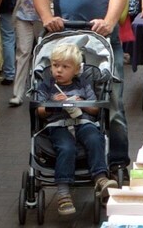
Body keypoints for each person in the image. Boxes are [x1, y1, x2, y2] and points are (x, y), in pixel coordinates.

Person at [35, 42, 118, 215]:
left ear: (76, 70)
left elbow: (95, 110)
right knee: (66, 148)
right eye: (55, 65)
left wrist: (82, 103)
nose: (58, 70)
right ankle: (63, 192)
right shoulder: (46, 86)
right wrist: (53, 104)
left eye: (65, 67)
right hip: (58, 125)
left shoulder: (84, 84)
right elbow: (40, 112)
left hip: (83, 121)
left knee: (96, 138)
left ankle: (100, 178)